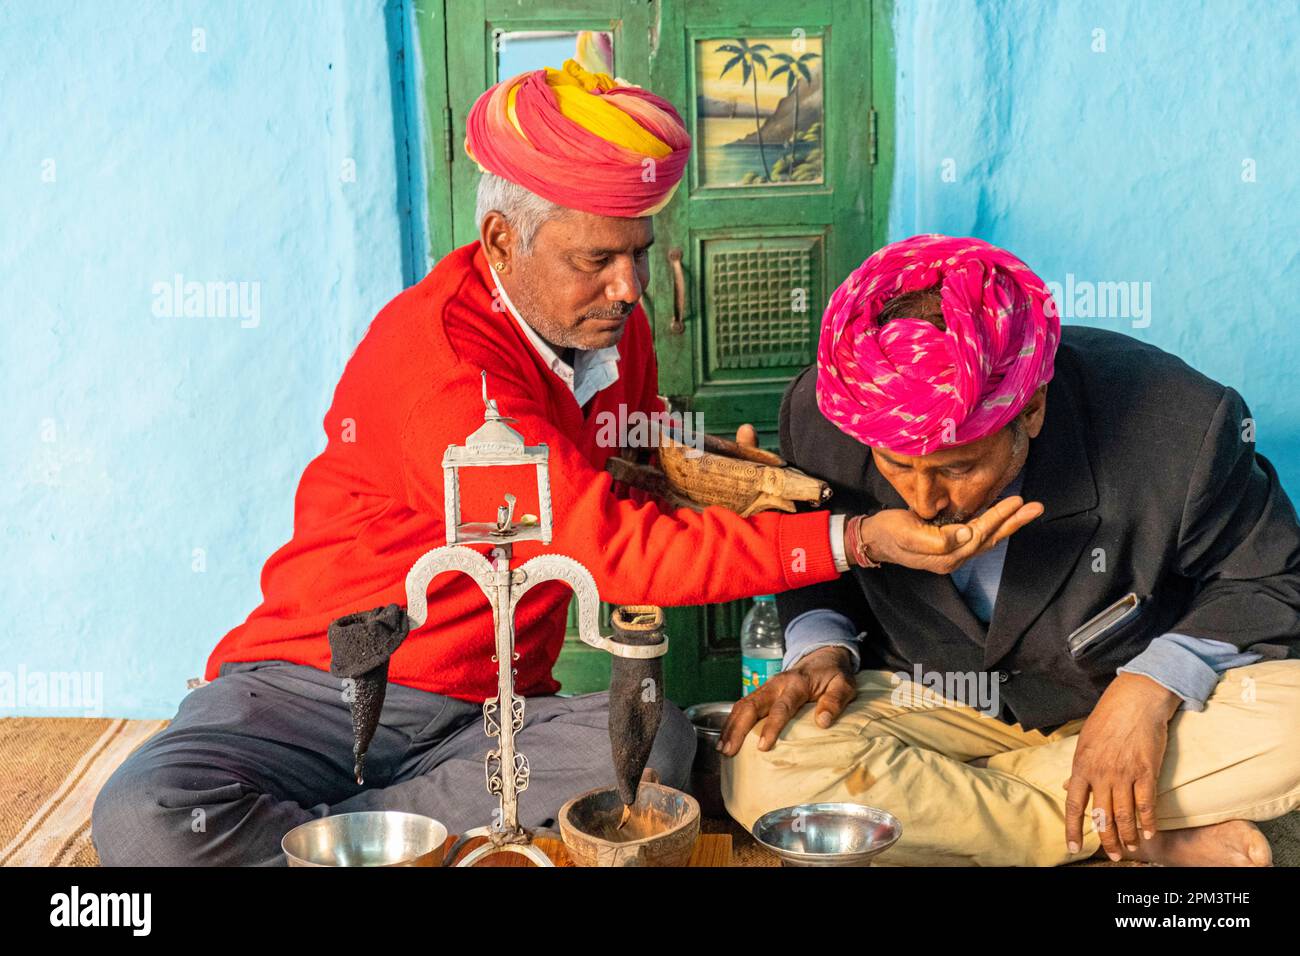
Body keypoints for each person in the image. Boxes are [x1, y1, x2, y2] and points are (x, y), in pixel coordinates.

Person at [91, 59, 895, 866]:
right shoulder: (440, 367)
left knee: (653, 748)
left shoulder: (608, 328)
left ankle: (353, 836)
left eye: (639, 255)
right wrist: (853, 540)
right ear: (503, 240)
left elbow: (623, 455)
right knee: (148, 816)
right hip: (316, 689)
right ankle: (389, 832)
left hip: (491, 712)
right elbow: (609, 548)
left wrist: (711, 478)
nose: (629, 286)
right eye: (597, 260)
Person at [720, 234, 1300, 866]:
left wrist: (1149, 689)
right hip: (927, 697)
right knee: (761, 766)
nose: (922, 501)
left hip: (1112, 692)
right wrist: (821, 649)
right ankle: (1128, 832)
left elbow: (1271, 579)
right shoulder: (830, 411)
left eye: (958, 467)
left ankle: (962, 816)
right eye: (895, 466)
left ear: (1031, 409)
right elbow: (822, 565)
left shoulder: (1181, 423)